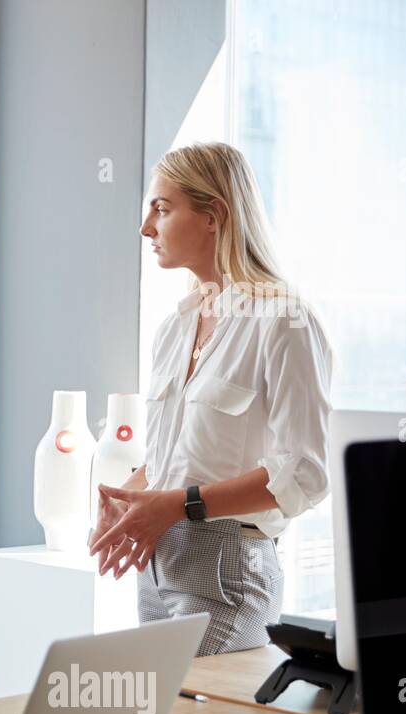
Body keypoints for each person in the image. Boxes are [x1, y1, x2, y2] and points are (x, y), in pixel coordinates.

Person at [90, 142, 333, 656]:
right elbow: (174, 460)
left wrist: (176, 506)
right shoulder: (175, 327)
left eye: (161, 208)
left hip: (231, 571)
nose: (145, 228)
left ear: (213, 216)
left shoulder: (284, 321)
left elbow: (304, 474)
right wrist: (128, 497)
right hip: (158, 567)